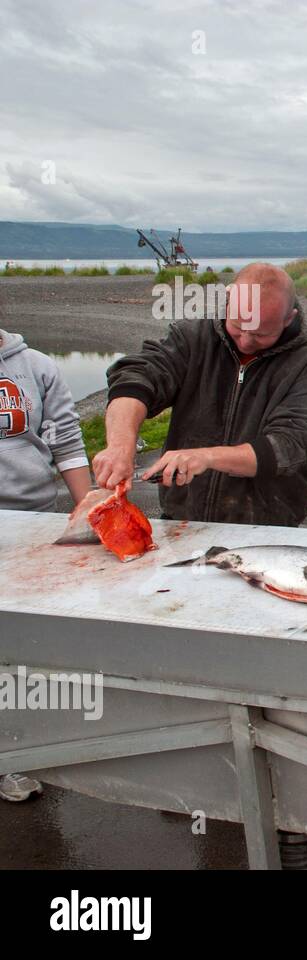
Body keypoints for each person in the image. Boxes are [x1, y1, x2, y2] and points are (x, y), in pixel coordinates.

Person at [93, 263, 307, 525]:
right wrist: (120, 446)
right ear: (229, 299)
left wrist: (207, 457)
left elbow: (290, 445)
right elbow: (137, 377)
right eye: (238, 326)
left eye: (260, 334)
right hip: (183, 520)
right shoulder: (191, 338)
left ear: (288, 318)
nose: (245, 341)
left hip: (268, 527)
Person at [0, 325, 93, 802]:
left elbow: (68, 443)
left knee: (25, 644)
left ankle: (22, 749)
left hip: (33, 522)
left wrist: (90, 514)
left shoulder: (36, 366)